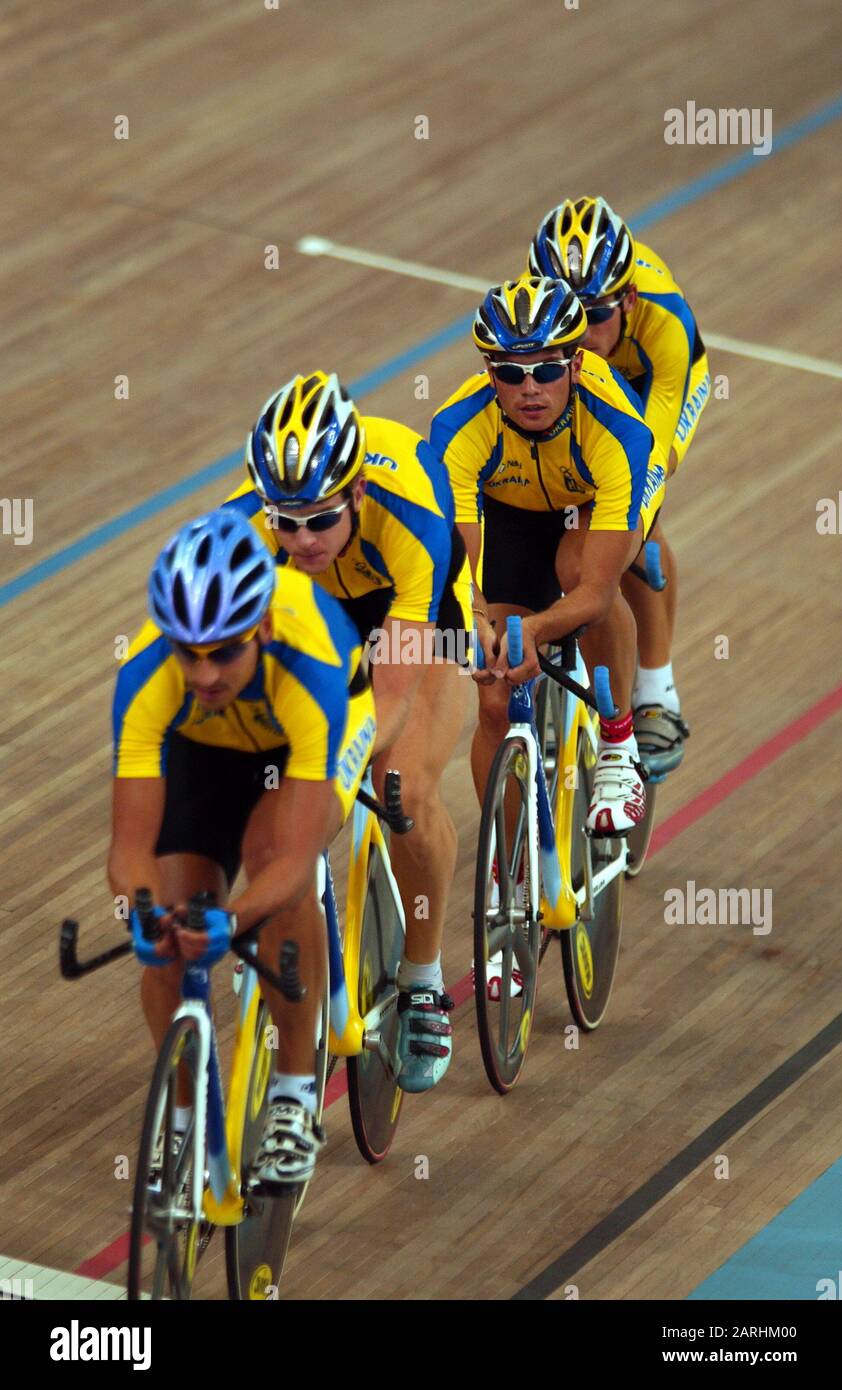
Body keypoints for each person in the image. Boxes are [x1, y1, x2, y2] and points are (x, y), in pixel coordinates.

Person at [221, 372, 473, 1093]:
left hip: (409, 614)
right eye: (285, 521)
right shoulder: (240, 533)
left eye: (319, 519)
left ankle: (422, 979)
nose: (300, 539)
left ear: (357, 495)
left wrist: (331, 784)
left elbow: (390, 694)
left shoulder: (410, 509)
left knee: (397, 787)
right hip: (311, 623)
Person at [108, 509, 376, 1186]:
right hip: (204, 750)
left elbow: (290, 860)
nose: (202, 674)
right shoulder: (146, 674)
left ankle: (292, 1092)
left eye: (223, 651)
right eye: (187, 652)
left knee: (271, 880)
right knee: (171, 922)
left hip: (304, 746)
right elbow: (129, 849)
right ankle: (183, 1113)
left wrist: (233, 921)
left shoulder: (309, 659)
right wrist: (147, 915)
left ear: (258, 627)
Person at [430, 272, 668, 834]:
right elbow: (462, 573)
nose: (529, 388)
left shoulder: (619, 430)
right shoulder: (457, 428)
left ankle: (617, 744)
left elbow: (595, 592)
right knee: (495, 695)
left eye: (546, 370)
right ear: (490, 374)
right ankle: (508, 873)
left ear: (577, 366)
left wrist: (536, 630)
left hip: (590, 505)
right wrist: (483, 624)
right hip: (510, 512)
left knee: (577, 571)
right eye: (511, 374)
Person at [528, 196, 710, 774]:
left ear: (628, 299)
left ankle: (657, 692)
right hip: (575, 387)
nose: (578, 326)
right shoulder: (535, 318)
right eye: (566, 308)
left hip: (646, 383)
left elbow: (648, 466)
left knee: (634, 528)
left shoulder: (665, 324)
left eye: (594, 309)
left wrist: (628, 524)